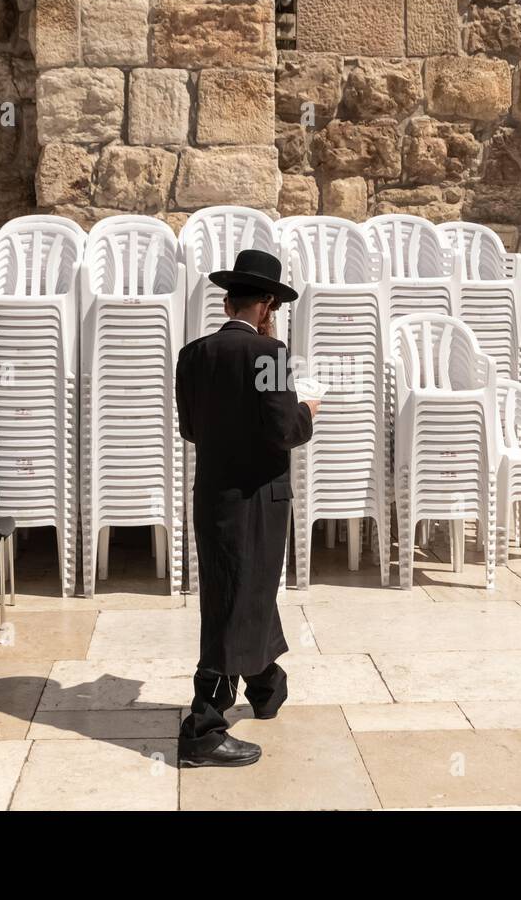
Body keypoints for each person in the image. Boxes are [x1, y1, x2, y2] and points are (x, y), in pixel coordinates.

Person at [175, 249, 319, 768]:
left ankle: (265, 686)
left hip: (213, 497)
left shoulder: (192, 355)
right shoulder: (268, 355)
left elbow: (191, 429)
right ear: (264, 305)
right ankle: (203, 727)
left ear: (229, 300)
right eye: (274, 305)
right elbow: (283, 430)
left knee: (244, 589)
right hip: (258, 500)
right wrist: (307, 409)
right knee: (235, 600)